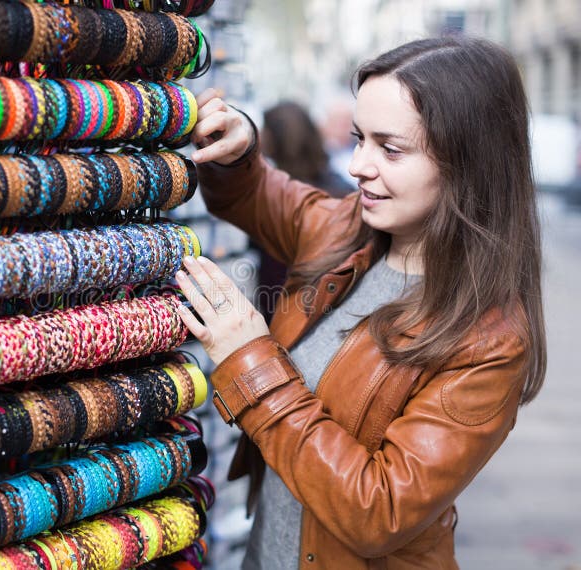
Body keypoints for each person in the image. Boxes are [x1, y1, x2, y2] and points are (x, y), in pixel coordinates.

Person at [174, 35, 547, 569]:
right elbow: (258, 194)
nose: (357, 166)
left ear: (468, 160)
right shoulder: (349, 226)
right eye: (358, 139)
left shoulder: (490, 340)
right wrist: (238, 149)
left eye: (390, 149)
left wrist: (249, 356)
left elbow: (378, 512)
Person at [255, 101, 353, 319]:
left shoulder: (275, 199)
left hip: (289, 319)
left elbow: (274, 282)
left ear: (275, 140)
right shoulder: (341, 189)